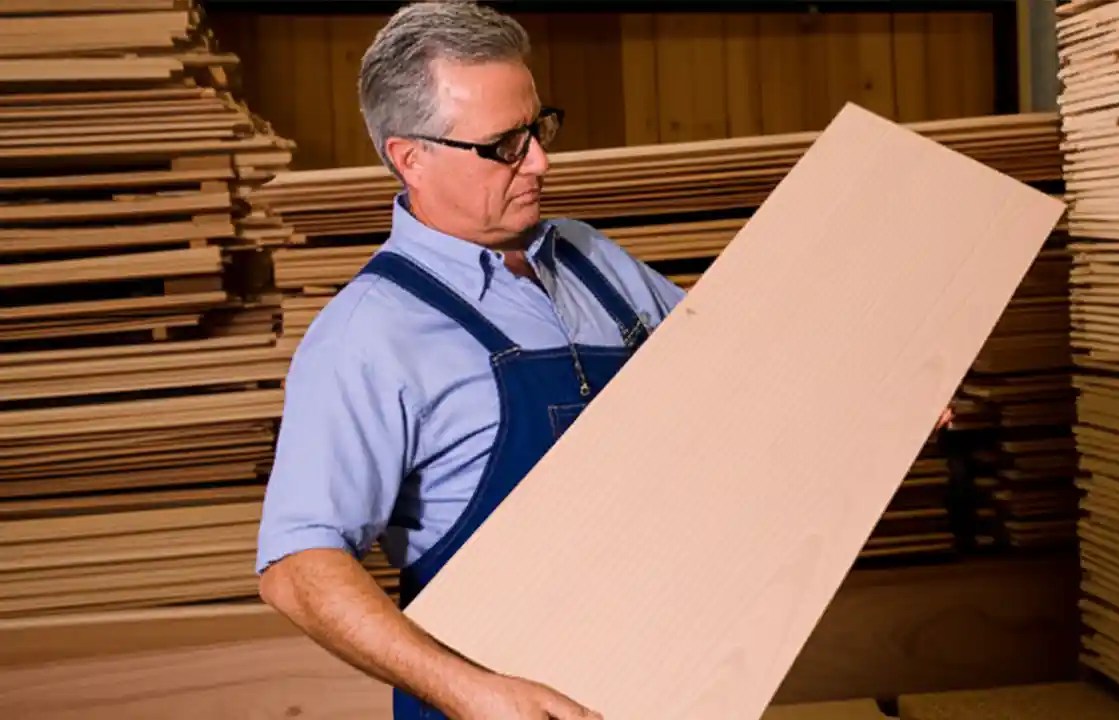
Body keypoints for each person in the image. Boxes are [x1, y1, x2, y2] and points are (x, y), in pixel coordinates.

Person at [254, 3, 953, 719]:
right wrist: (470, 692)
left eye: (540, 129)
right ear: (411, 157)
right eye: (504, 146)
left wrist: (872, 403)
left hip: (677, 680)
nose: (540, 161)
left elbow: (739, 388)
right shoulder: (367, 338)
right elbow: (297, 569)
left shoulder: (592, 261)